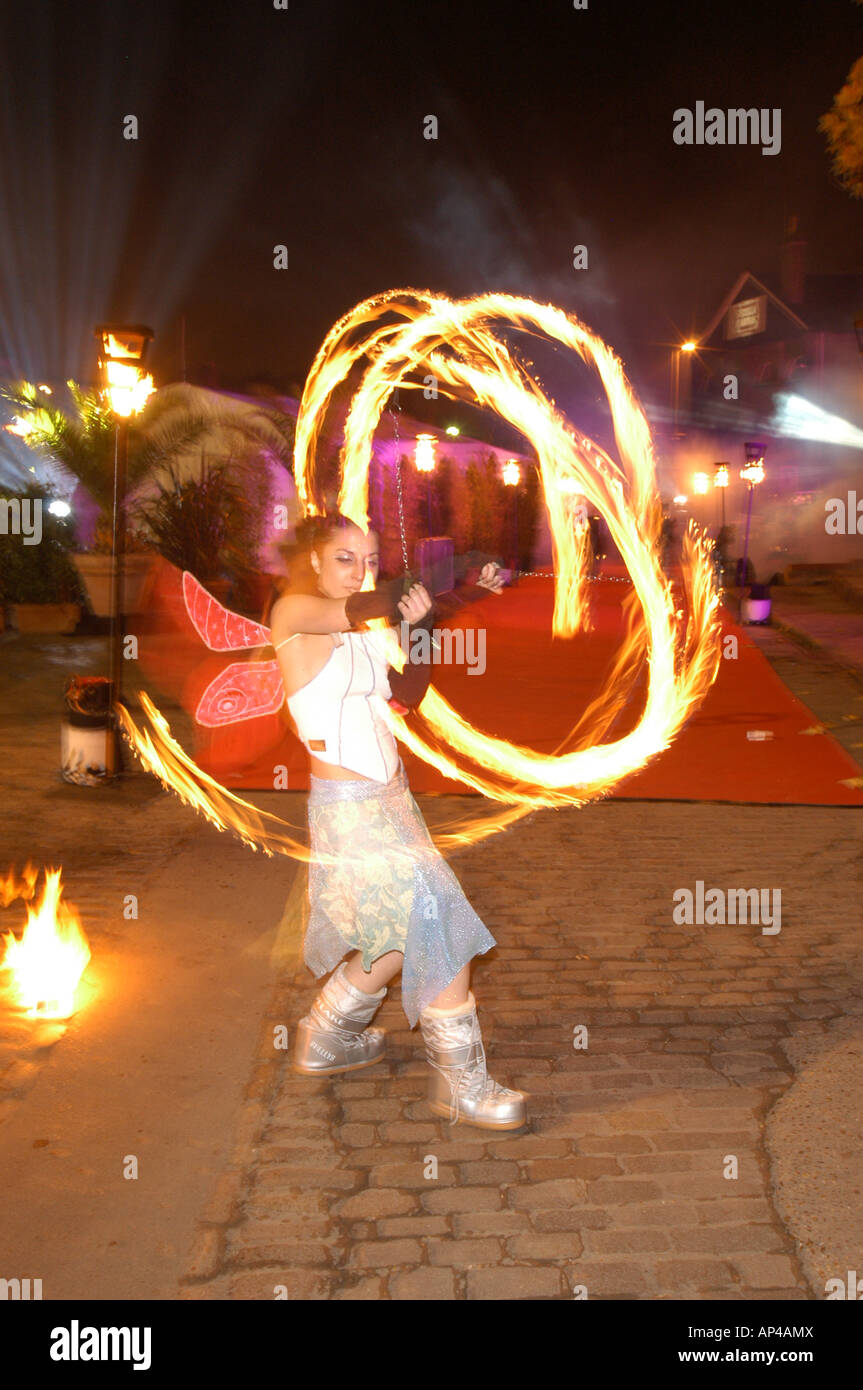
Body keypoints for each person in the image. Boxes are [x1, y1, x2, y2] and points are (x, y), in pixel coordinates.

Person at [265, 512, 526, 1132]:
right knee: (439, 916)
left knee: (393, 929)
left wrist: (424, 625)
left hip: (390, 803)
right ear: (315, 564)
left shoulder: (358, 630)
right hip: (352, 814)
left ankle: (325, 1039)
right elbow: (374, 601)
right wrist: (455, 576)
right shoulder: (294, 613)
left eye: (370, 558)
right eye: (345, 558)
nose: (361, 569)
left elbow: (406, 696)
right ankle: (461, 1084)